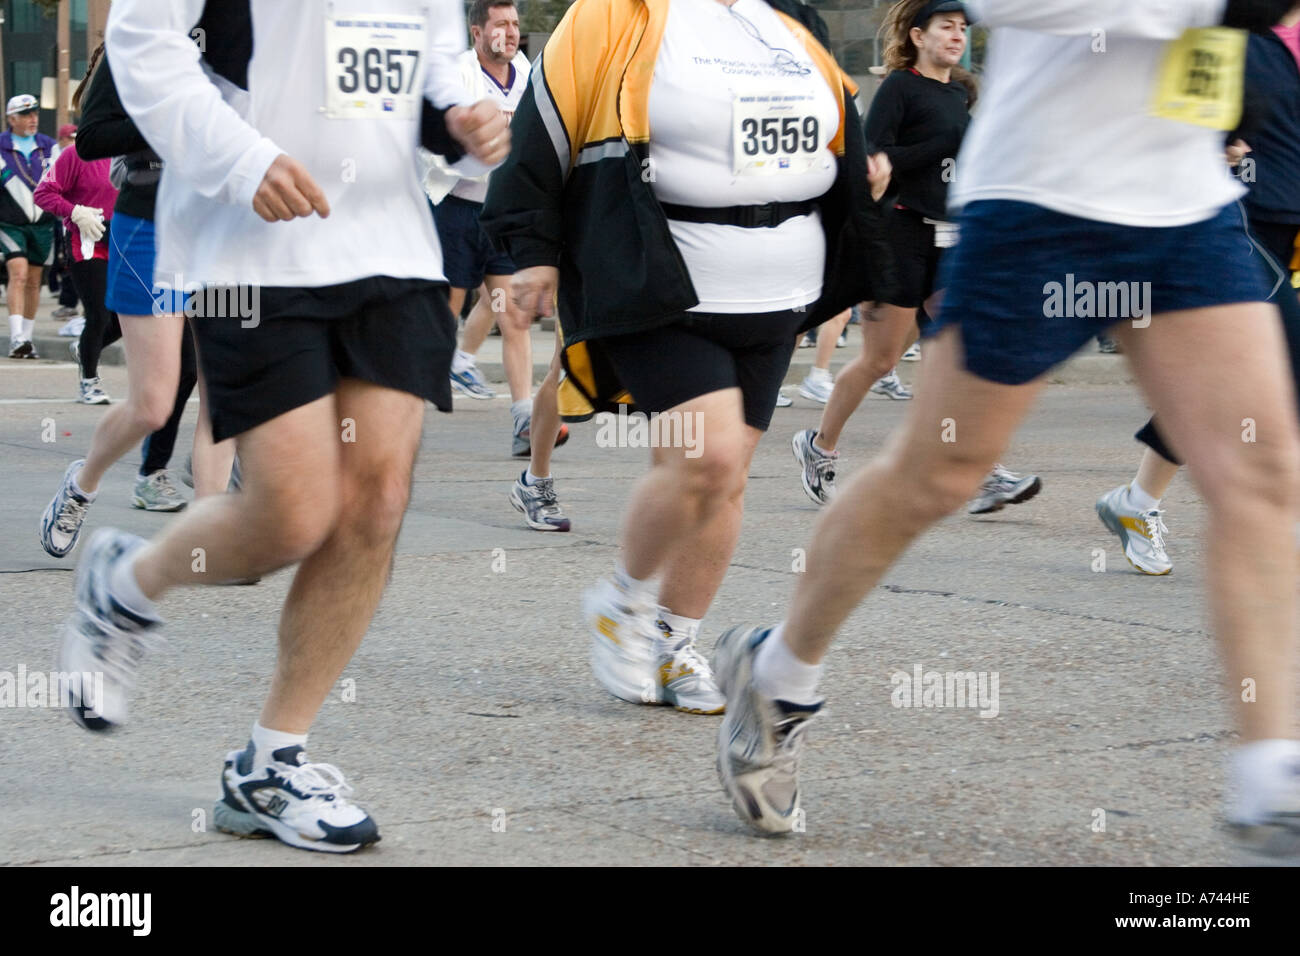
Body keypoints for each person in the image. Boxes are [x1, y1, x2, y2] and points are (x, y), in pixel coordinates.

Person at [712, 0, 1300, 863]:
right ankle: (777, 679)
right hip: (1040, 203)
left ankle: (1268, 784)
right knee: (940, 472)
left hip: (1183, 205)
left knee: (1263, 470)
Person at [55, 0, 509, 854]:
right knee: (292, 516)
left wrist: (463, 111)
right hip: (251, 242)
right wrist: (242, 157)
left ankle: (272, 760)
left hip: (390, 242)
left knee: (379, 500)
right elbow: (144, 42)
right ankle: (127, 584)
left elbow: (434, 53)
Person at [483, 0, 895, 714]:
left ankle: (674, 642)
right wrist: (533, 254)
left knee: (725, 482)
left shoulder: (788, 23)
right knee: (708, 458)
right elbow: (539, 134)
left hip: (778, 294)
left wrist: (860, 174)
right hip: (658, 285)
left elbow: (836, 129)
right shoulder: (612, 16)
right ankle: (621, 602)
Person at [791, 0, 1040, 517]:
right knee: (880, 359)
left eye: (963, 29)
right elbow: (874, 155)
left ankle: (980, 471)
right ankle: (819, 446)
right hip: (901, 232)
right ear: (919, 36)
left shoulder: (960, 93)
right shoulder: (900, 88)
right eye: (946, 28)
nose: (957, 36)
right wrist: (898, 159)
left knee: (955, 355)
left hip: (949, 236)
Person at [1098, 2, 1300, 575]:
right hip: (1232, 221)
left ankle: (1136, 503)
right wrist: (1215, 144)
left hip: (1289, 222)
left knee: (1219, 382)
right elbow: (1171, 119)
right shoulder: (1225, 26)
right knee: (1287, 361)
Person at [425, 0, 570, 457]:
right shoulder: (459, 75)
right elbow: (436, 144)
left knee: (515, 316)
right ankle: (411, 401)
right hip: (456, 209)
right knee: (443, 314)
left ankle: (523, 418)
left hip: (502, 215)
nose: (510, 31)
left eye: (514, 24)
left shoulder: (529, 75)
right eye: (500, 24)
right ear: (476, 33)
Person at [33, 116, 120, 405]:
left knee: (124, 321)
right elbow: (43, 194)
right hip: (86, 242)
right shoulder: (75, 154)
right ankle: (89, 382)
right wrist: (75, 212)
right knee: (99, 314)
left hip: (123, 244)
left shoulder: (132, 155)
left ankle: (83, 348)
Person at [2, 94, 57, 359]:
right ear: (11, 119)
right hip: (10, 223)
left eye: (34, 114)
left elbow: (62, 181)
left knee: (35, 281)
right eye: (25, 115)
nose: (33, 119)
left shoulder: (49, 147)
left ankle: (27, 338)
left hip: (43, 224)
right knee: (19, 273)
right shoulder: (1, 147)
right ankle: (16, 338)